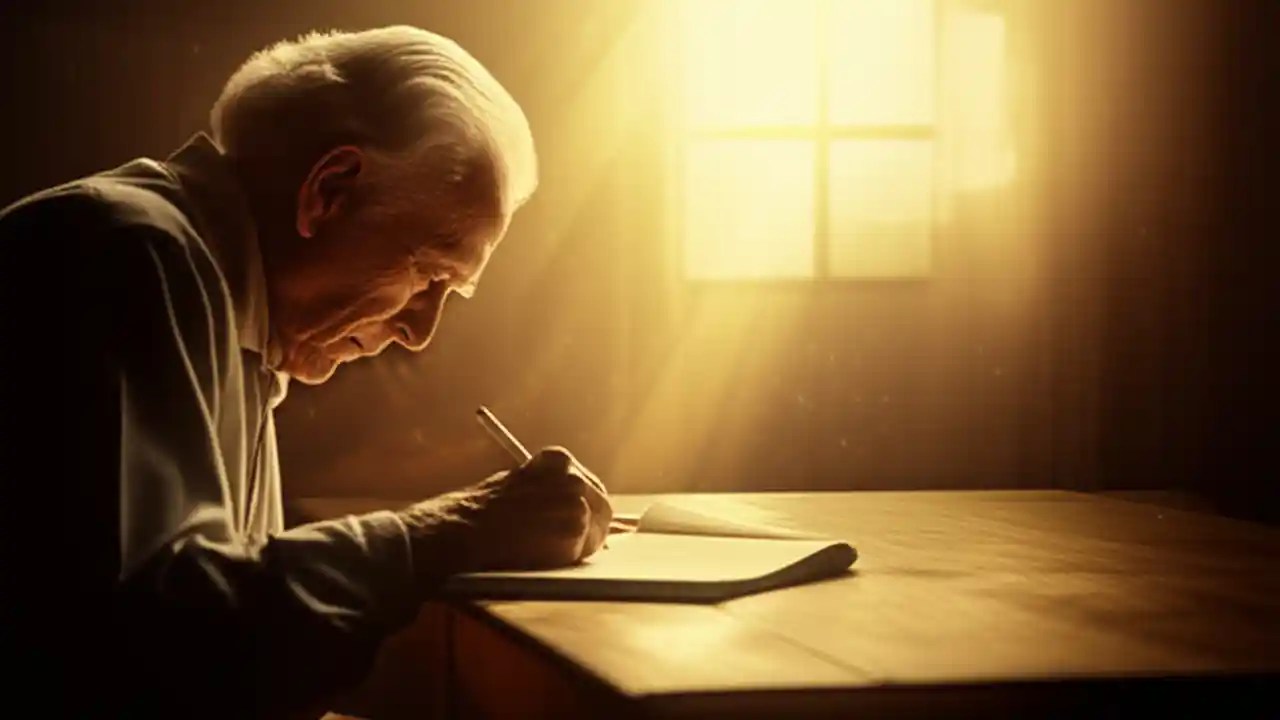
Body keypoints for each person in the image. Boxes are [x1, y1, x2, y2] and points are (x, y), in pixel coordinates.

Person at [0, 26, 611, 718]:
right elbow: (156, 648)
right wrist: (453, 530)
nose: (418, 332)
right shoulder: (127, 253)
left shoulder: (234, 319)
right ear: (331, 189)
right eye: (429, 274)